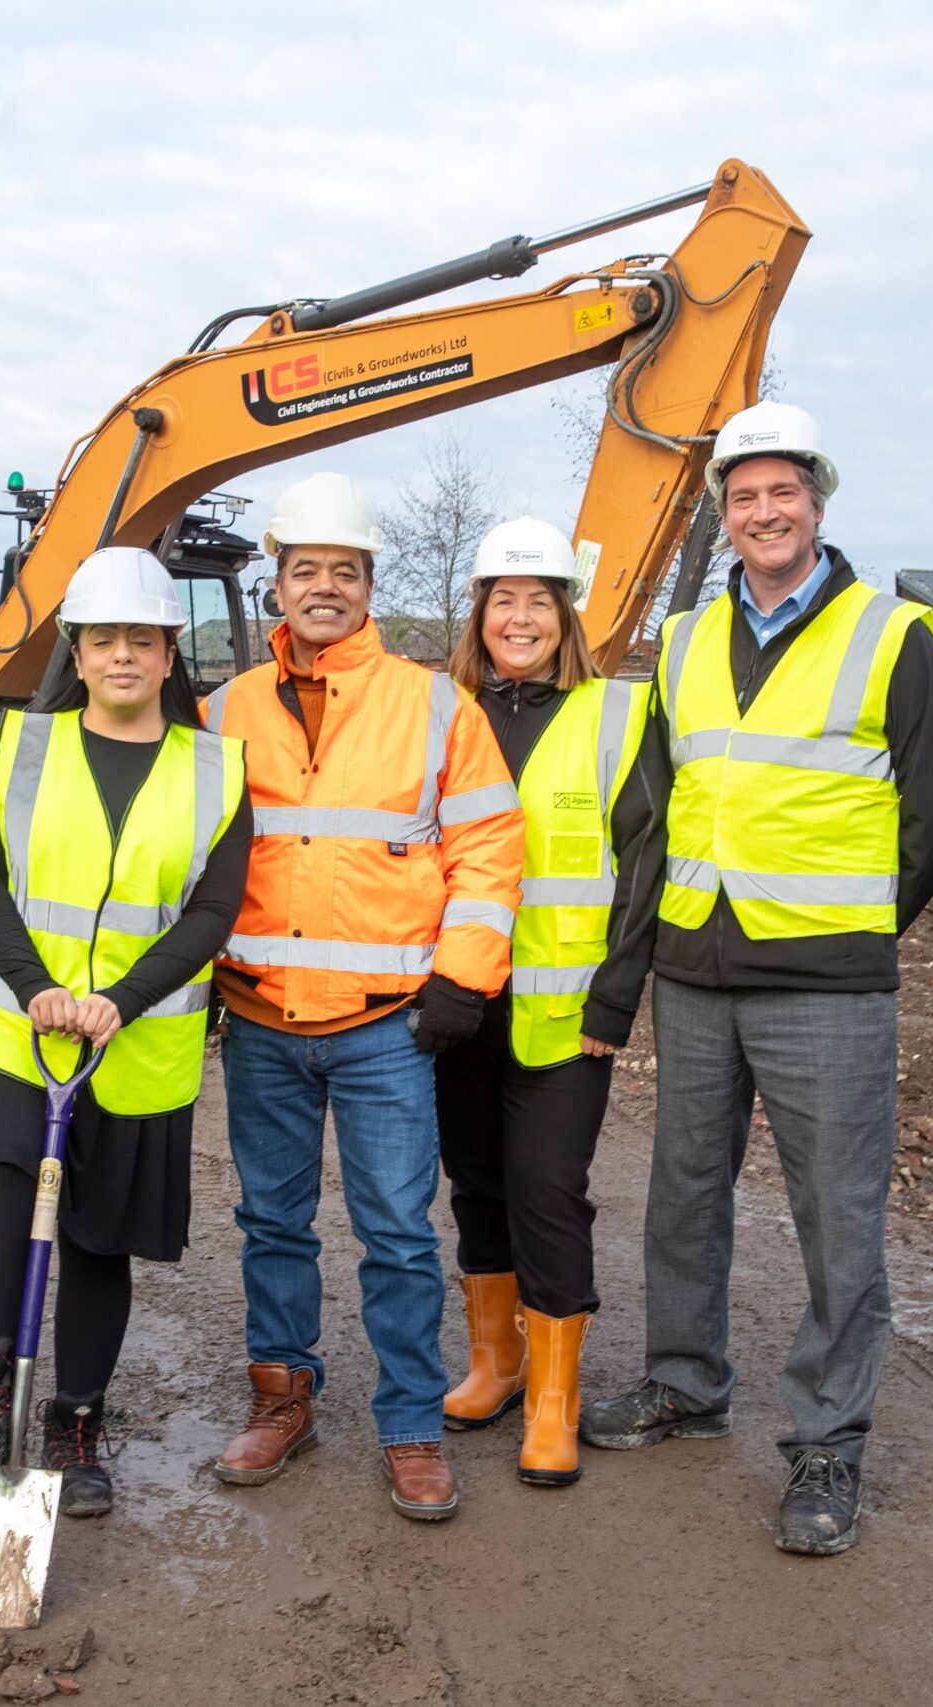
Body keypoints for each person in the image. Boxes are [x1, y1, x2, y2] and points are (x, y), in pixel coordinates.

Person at [580, 402, 933, 1555]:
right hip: (698, 969)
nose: (763, 512)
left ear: (816, 501)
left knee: (835, 1222)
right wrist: (645, 949)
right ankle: (685, 1383)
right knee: (683, 1197)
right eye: (742, 496)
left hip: (826, 988)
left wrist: (856, 929)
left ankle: (828, 1443)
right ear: (725, 514)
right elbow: (649, 806)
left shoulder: (893, 635)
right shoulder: (689, 637)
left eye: (781, 493)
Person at [200, 472, 524, 1522]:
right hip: (258, 1018)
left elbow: (487, 850)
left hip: (390, 1026)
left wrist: (461, 981)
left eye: (343, 570)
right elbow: (190, 855)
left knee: (395, 1232)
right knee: (272, 1225)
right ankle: (280, 1400)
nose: (324, 587)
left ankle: (411, 1428)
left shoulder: (435, 703)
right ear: (277, 583)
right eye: (305, 570)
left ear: (368, 583)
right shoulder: (225, 708)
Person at [0, 547, 251, 1518]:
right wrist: (32, 986)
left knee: (98, 1240)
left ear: (167, 655)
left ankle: (74, 1423)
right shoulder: (23, 749)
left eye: (140, 640)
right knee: (5, 1172)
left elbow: (212, 910)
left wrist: (124, 995)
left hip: (136, 1043)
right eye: (102, 638)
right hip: (14, 1027)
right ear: (77, 650)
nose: (121, 655)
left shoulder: (215, 767)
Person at [432, 517, 656, 1488]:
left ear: (564, 616)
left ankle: (555, 1399)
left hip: (566, 1014)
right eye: (500, 599)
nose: (517, 617)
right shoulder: (444, 712)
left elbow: (644, 865)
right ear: (477, 613)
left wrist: (614, 1003)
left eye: (536, 599)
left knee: (547, 1193)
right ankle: (496, 1362)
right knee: (476, 1186)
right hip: (459, 1006)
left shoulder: (614, 715)